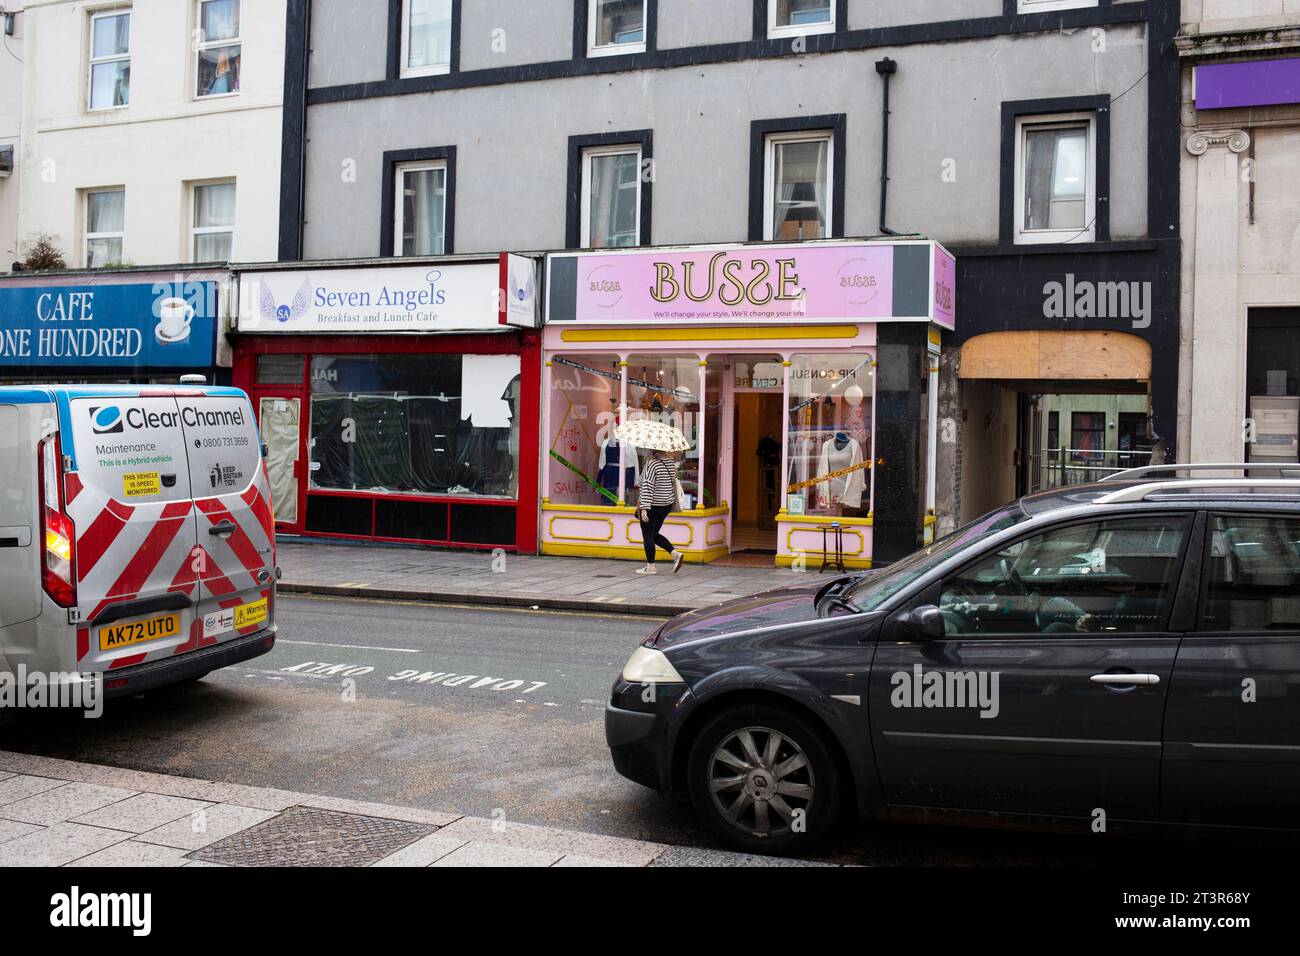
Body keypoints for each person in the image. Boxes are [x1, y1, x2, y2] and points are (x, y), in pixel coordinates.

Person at [635, 449, 683, 575]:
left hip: (653, 505)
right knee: (654, 534)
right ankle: (675, 554)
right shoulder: (670, 463)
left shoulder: (652, 464)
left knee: (647, 536)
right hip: (666, 505)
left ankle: (651, 567)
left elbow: (646, 485)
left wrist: (644, 508)